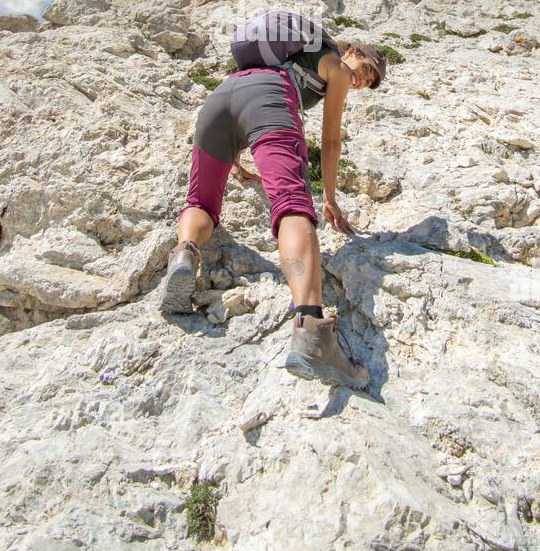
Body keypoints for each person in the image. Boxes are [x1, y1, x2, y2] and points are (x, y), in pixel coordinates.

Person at [159, 22, 387, 389]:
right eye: (366, 71)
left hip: (223, 96)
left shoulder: (289, 53)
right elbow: (330, 142)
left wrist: (235, 160)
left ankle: (185, 256)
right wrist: (329, 198)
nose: (359, 82)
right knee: (292, 205)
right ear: (353, 53)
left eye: (367, 82)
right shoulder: (338, 67)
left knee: (201, 200)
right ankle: (312, 333)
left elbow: (243, 105)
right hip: (270, 99)